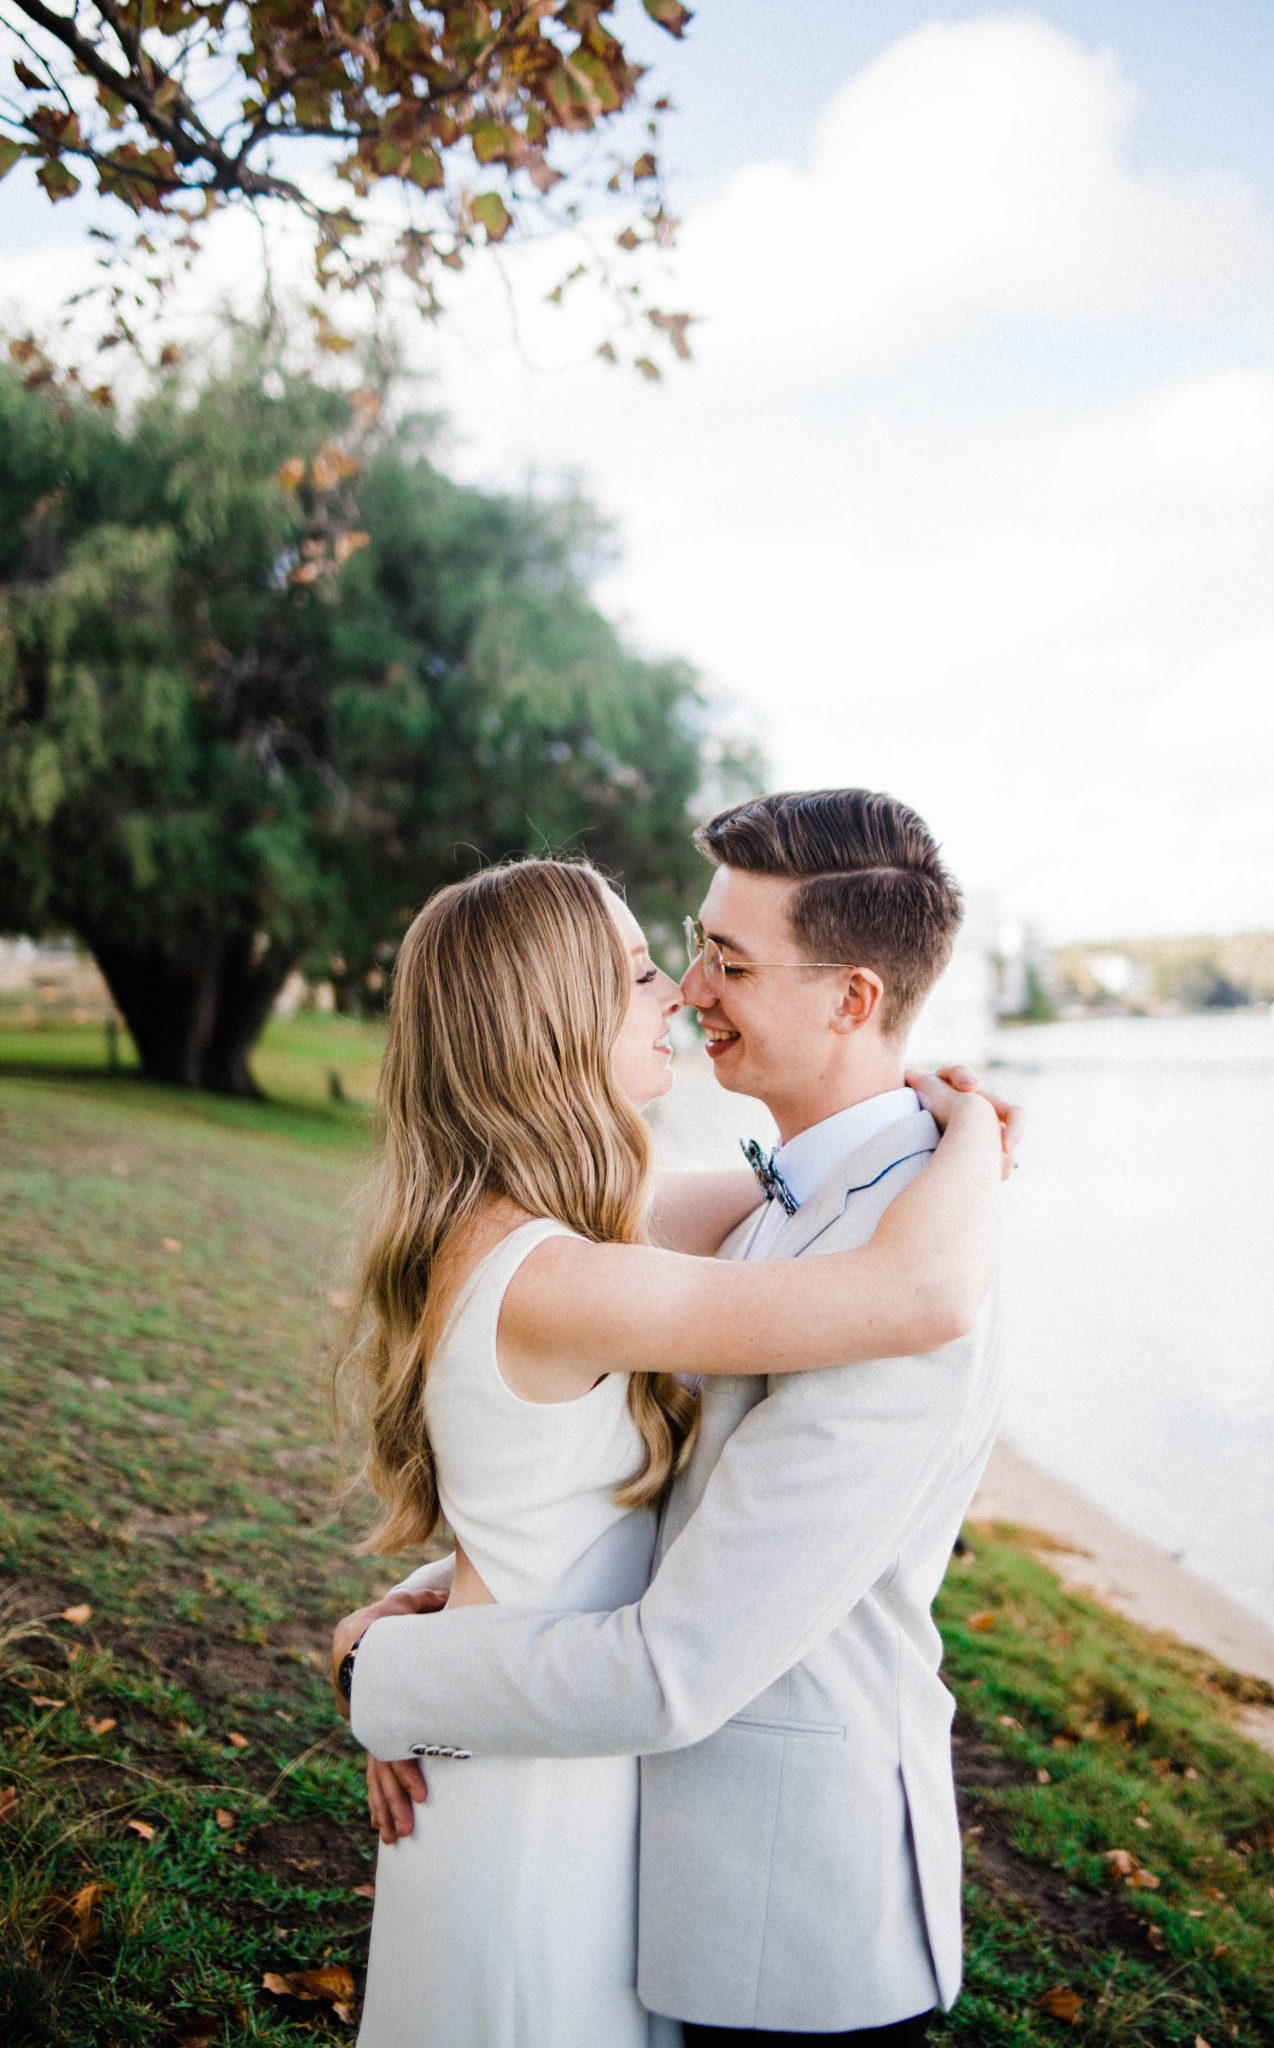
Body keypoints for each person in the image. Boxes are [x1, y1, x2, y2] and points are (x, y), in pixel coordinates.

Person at [335, 792, 1012, 2046]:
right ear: (553, 1025)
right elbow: (888, 1294)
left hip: (791, 1900)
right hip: (587, 1812)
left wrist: (403, 1661)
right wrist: (970, 1127)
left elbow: (912, 1287)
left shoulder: (792, 1226)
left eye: (720, 961)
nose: (688, 989)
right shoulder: (602, 1255)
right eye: (666, 960)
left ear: (852, 999)